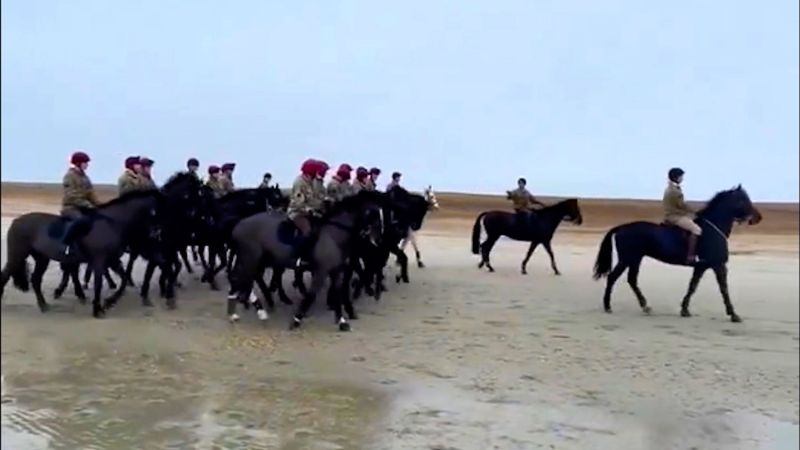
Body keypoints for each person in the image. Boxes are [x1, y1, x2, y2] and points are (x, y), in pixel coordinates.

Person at [288, 159, 327, 266]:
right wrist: (310, 210)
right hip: (297, 213)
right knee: (307, 231)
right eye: (316, 170)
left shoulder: (311, 181)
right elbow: (299, 202)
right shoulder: (299, 182)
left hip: (311, 212)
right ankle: (297, 257)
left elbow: (314, 199)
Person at [61, 151, 100, 255]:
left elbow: (91, 193)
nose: (87, 165)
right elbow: (72, 196)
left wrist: (100, 205)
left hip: (85, 207)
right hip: (71, 207)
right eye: (85, 163)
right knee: (81, 220)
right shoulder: (69, 176)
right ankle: (66, 244)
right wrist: (88, 205)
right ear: (78, 163)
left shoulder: (85, 177)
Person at [663, 167, 702, 263]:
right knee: (697, 230)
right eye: (681, 177)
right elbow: (682, 205)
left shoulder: (670, 188)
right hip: (675, 217)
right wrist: (695, 211)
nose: (682, 179)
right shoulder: (675, 191)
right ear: (676, 177)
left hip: (673, 215)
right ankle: (690, 256)